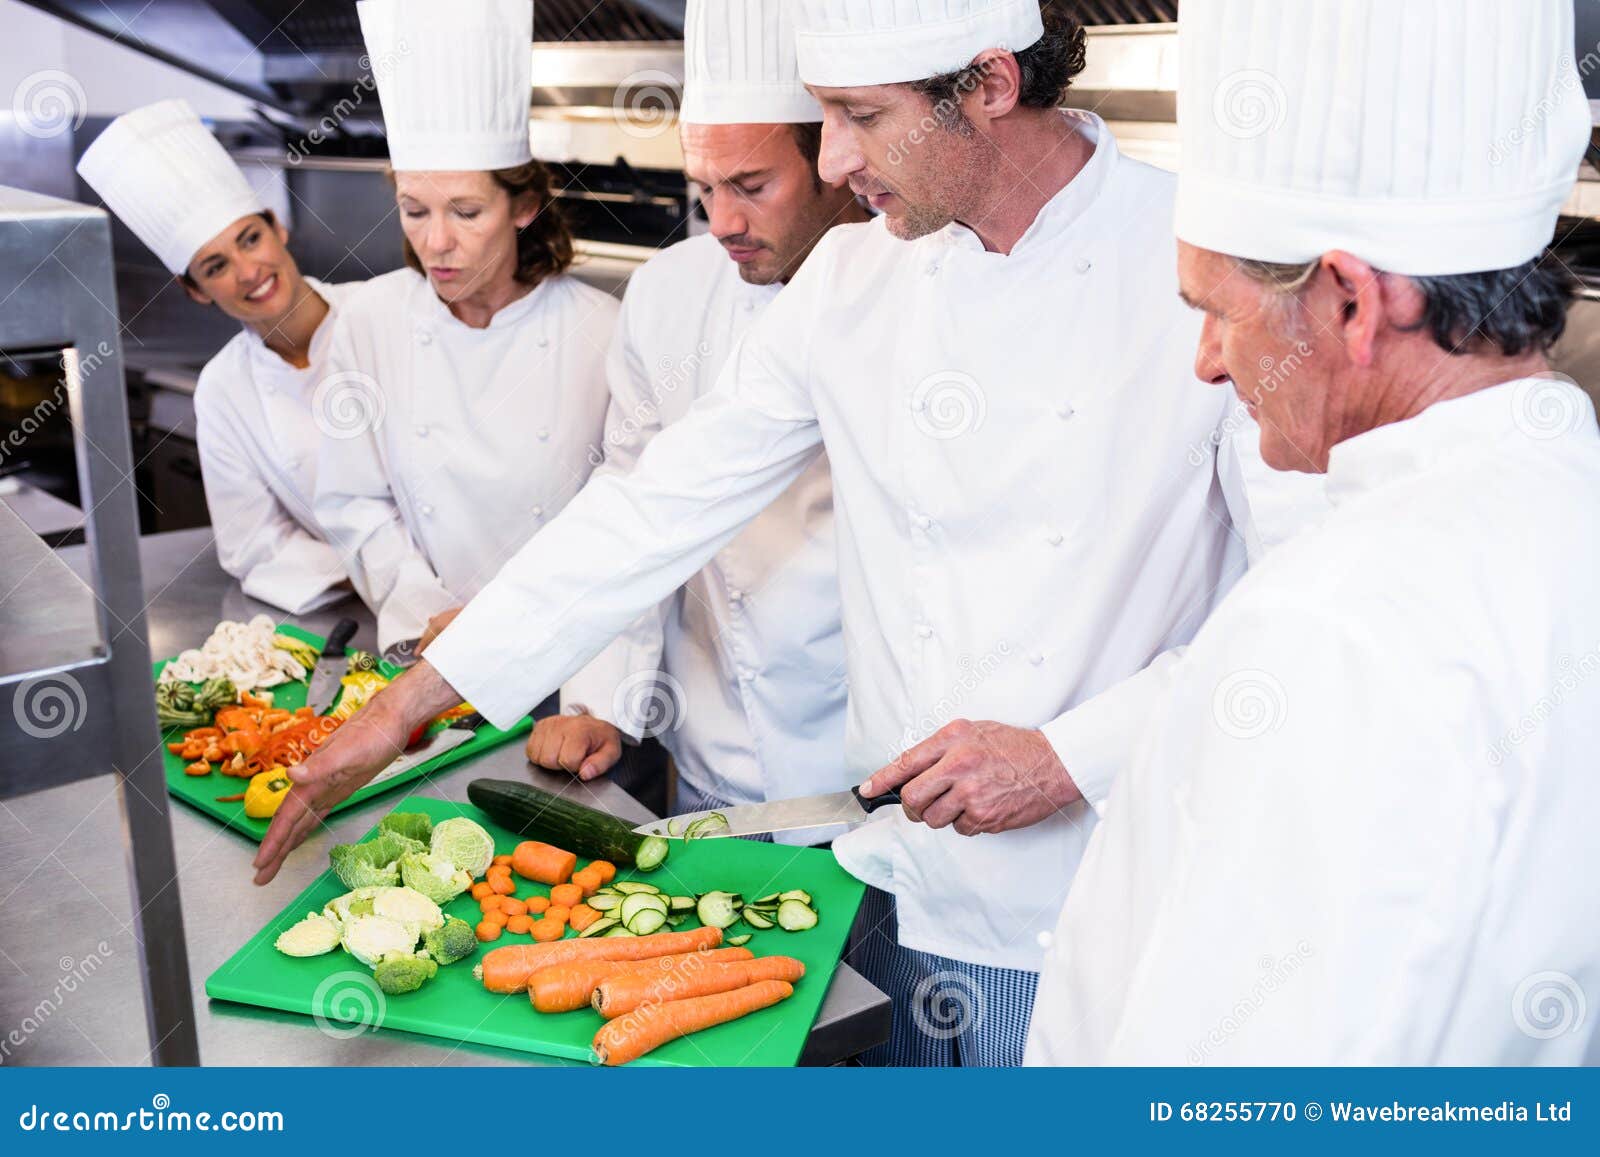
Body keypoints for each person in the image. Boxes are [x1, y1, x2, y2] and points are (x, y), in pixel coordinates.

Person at [254, 0, 1294, 1067]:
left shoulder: (1204, 262)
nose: (834, 161)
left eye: (860, 116)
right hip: (890, 866)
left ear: (988, 85)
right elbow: (657, 502)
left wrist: (1068, 755)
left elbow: (1301, 608)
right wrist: (410, 703)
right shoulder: (855, 277)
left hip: (1092, 892)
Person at [1024, 0, 1600, 1065]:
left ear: (1348, 302)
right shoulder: (1568, 501)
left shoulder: (1334, 627)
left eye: (1218, 308)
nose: (1206, 360)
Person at [525, 0, 867, 839]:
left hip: (877, 769)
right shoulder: (669, 291)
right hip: (716, 753)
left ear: (834, 157)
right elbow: (637, 497)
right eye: (705, 189)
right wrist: (602, 697)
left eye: (751, 187)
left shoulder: (909, 285)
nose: (722, 225)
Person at [313, 0, 618, 659]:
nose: (436, 242)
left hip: (565, 652)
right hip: (424, 643)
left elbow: (619, 522)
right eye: (414, 210)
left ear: (525, 205)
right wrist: (432, 619)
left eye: (467, 211)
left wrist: (514, 629)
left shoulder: (600, 330)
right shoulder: (370, 320)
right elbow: (353, 500)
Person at [77, 98, 356, 614]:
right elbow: (252, 545)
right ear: (195, 290)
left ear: (278, 227)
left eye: (250, 239)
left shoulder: (383, 313)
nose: (249, 272)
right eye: (216, 266)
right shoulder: (223, 388)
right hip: (362, 607)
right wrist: (379, 573)